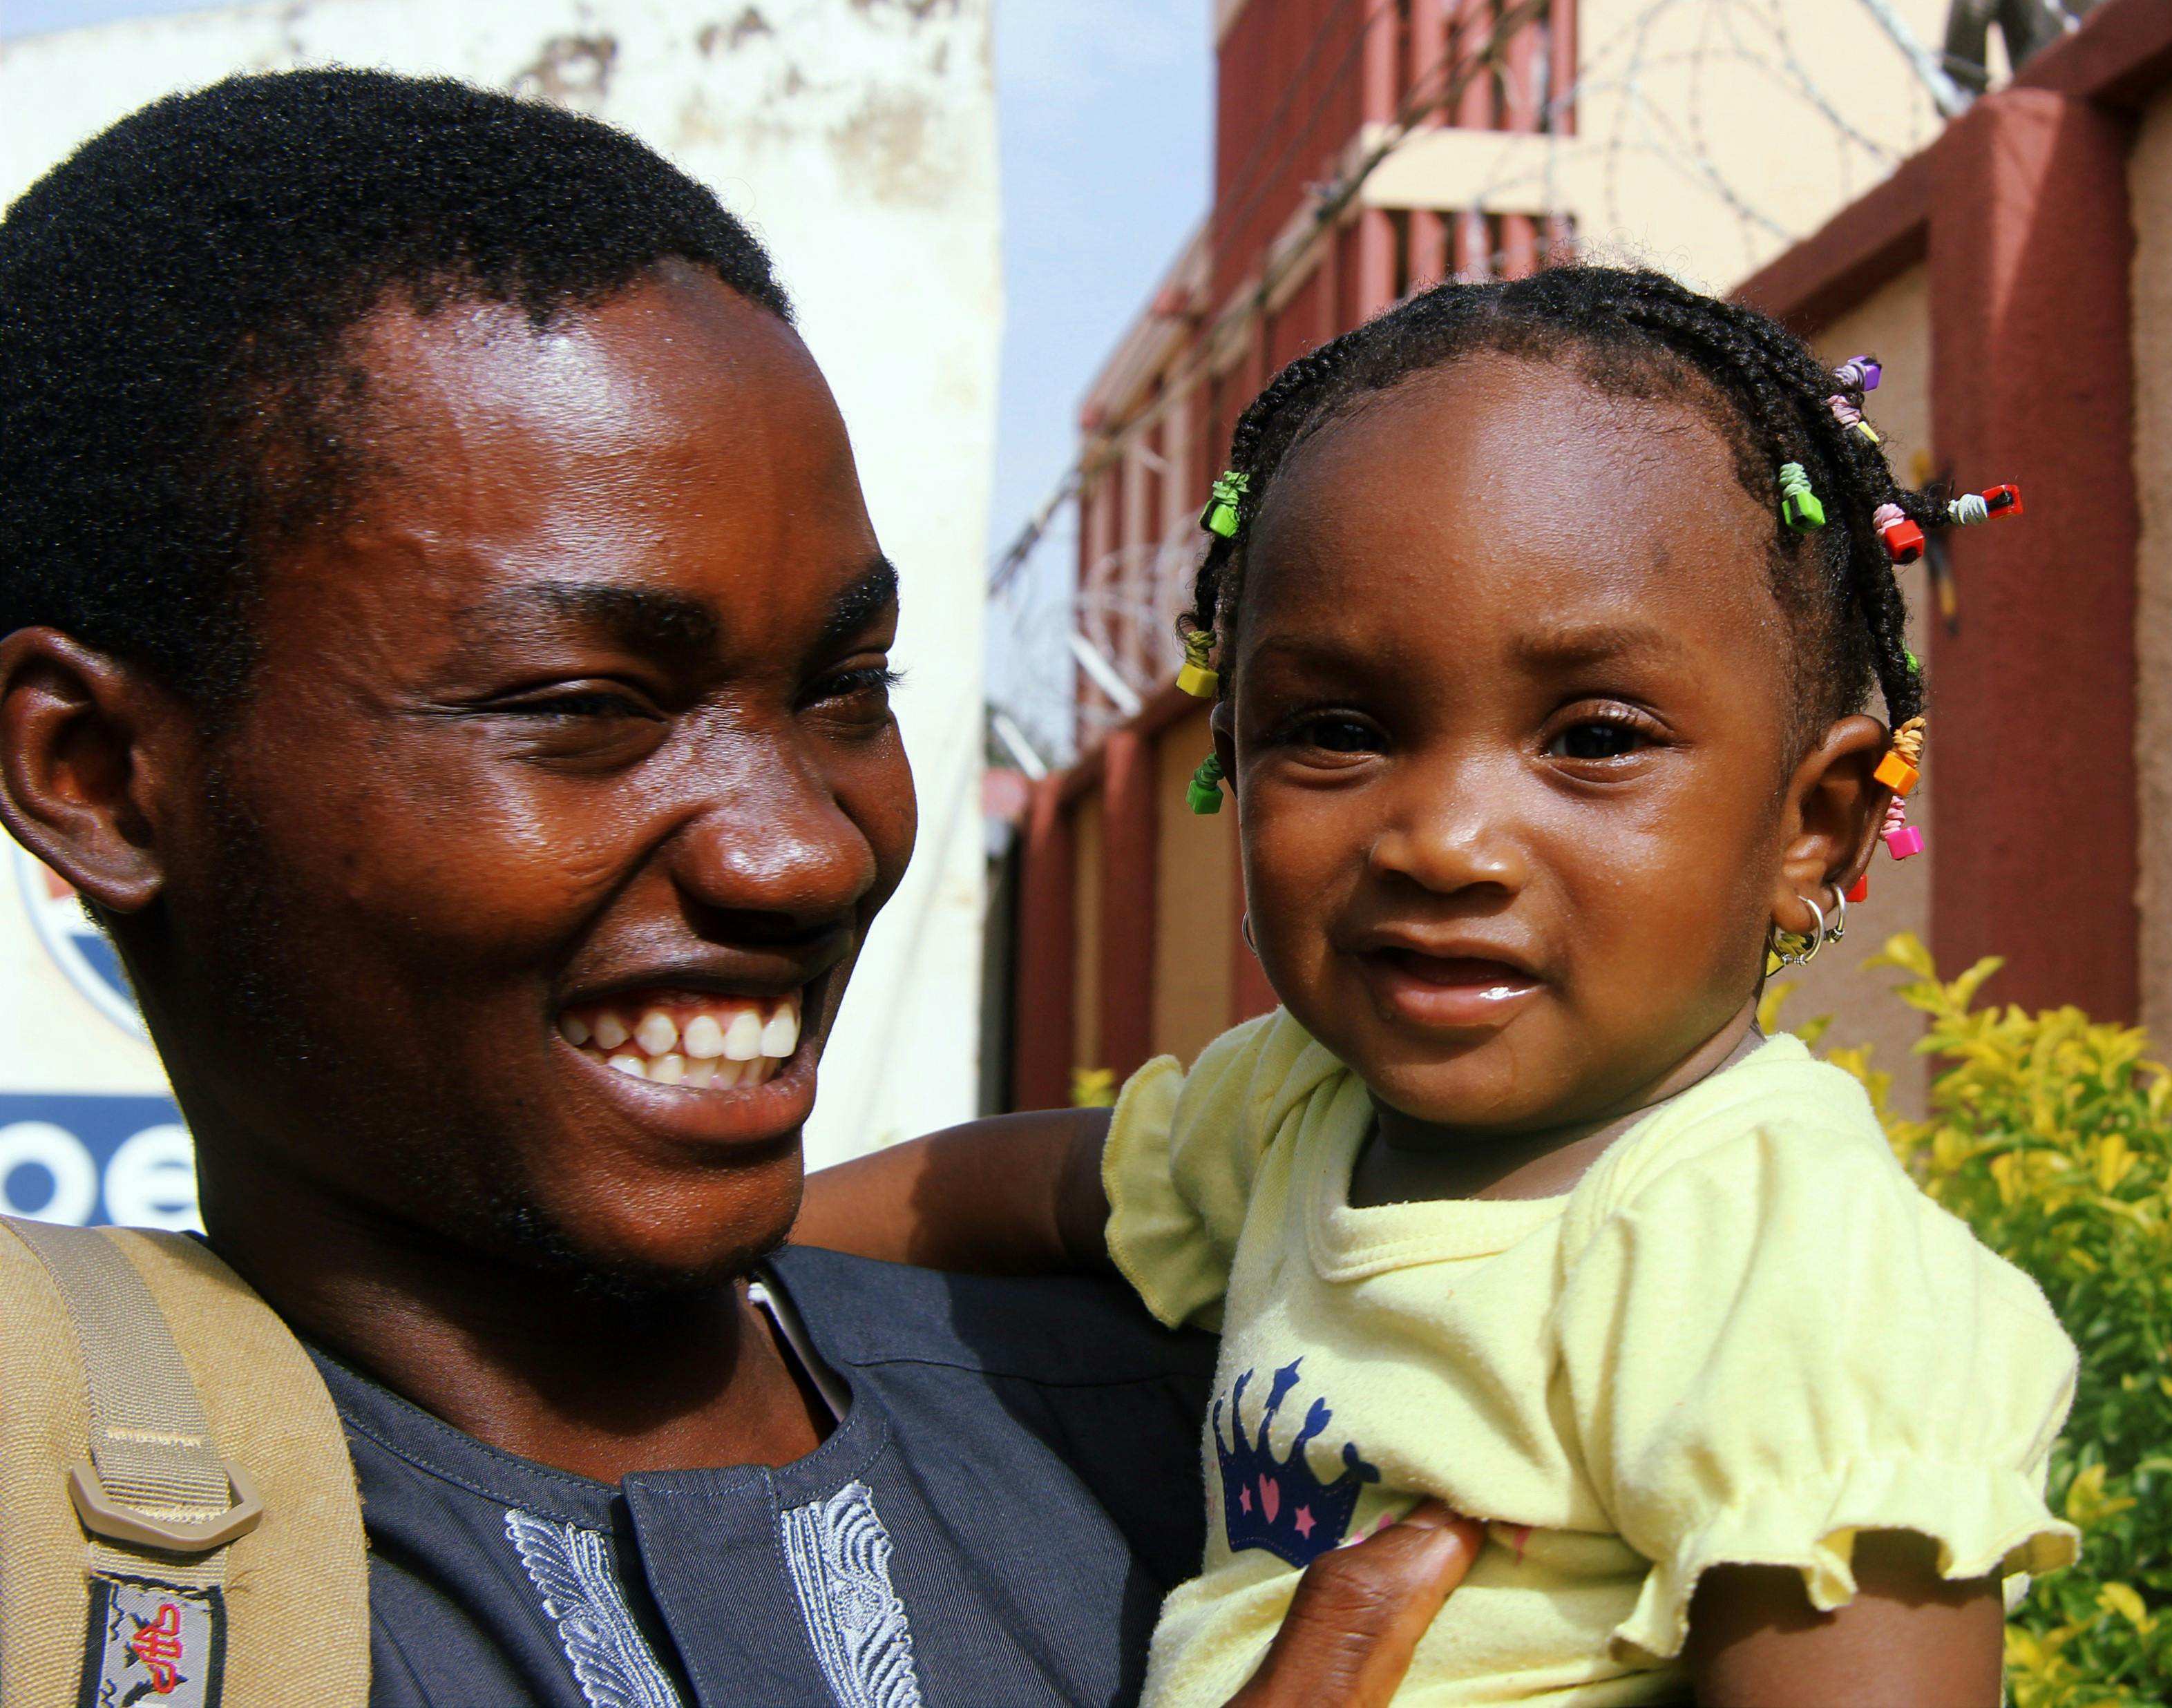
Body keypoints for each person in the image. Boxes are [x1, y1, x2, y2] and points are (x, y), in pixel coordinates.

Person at [0, 68, 1475, 1708]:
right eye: (587, 706)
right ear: (97, 775)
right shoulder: (66, 1577)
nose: (804, 851)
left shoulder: (1245, 1444)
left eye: (847, 688)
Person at [797, 267, 2084, 1707]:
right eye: (1337, 729)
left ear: (1815, 825)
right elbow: (1036, 1191)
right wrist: (729, 1247)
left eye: (1594, 737)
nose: (1442, 840)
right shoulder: (1295, 1110)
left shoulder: (1786, 1271)